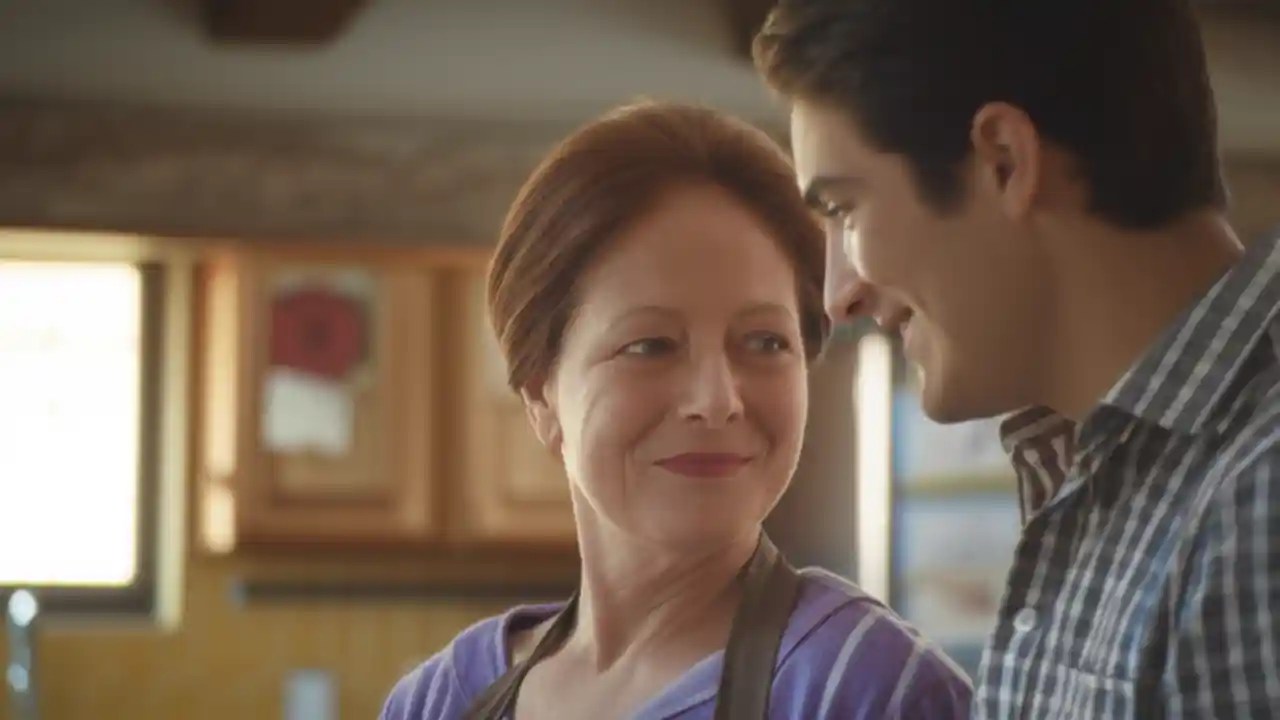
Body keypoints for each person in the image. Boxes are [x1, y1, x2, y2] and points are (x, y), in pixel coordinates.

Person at [753, 0, 1280, 717]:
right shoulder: (1112, 480)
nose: (836, 296)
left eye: (846, 210)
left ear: (1004, 160)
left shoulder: (1258, 503)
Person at [380, 101, 971, 719]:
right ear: (541, 396)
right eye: (651, 346)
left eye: (765, 343)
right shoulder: (440, 701)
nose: (716, 400)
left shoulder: (866, 690)